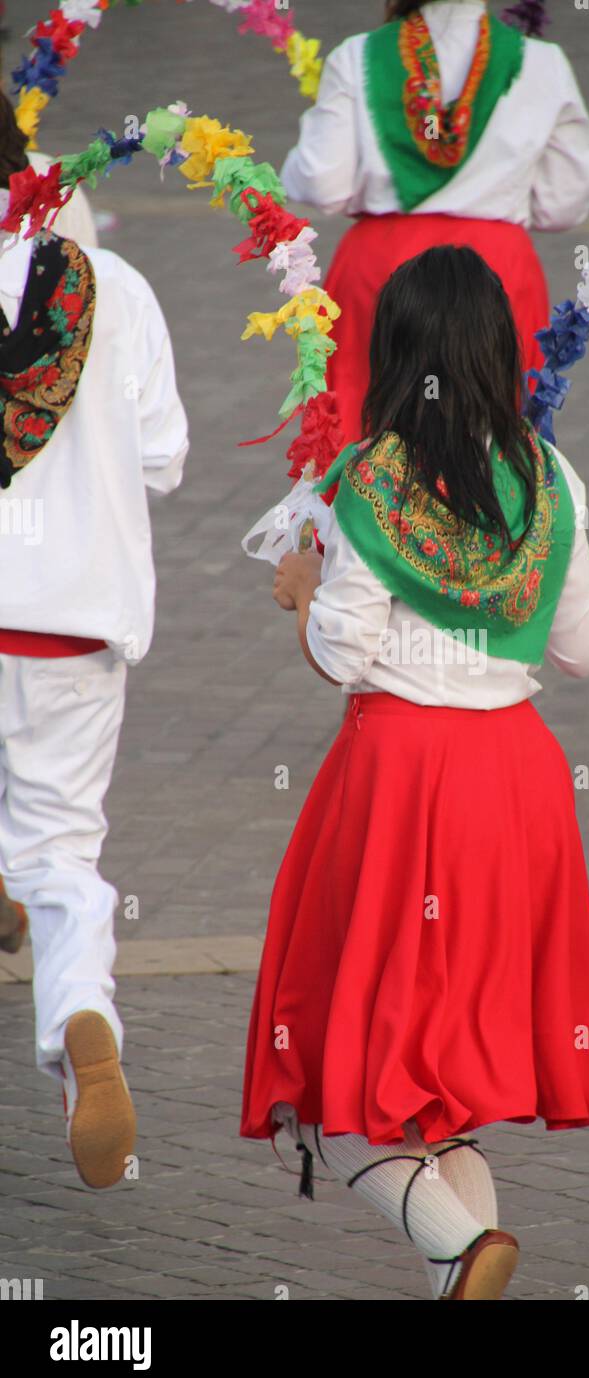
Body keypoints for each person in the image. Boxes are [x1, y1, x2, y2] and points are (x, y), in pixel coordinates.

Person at [241, 245, 589, 1301]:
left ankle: (456, 1248)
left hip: (395, 779)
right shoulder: (548, 476)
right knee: (447, 1090)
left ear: (396, 351)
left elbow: (342, 655)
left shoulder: (370, 479)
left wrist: (301, 589)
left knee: (338, 1086)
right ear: (497, 351)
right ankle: (462, 1269)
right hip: (516, 784)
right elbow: (583, 649)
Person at [0, 89, 189, 1187]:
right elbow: (162, 452)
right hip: (72, 624)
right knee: (65, 850)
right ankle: (82, 1024)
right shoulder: (115, 287)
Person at [281, 0, 589, 445]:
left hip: (380, 266)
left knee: (361, 427)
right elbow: (564, 203)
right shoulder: (543, 63)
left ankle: (362, 510)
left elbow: (322, 183)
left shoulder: (355, 57)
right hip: (497, 273)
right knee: (496, 439)